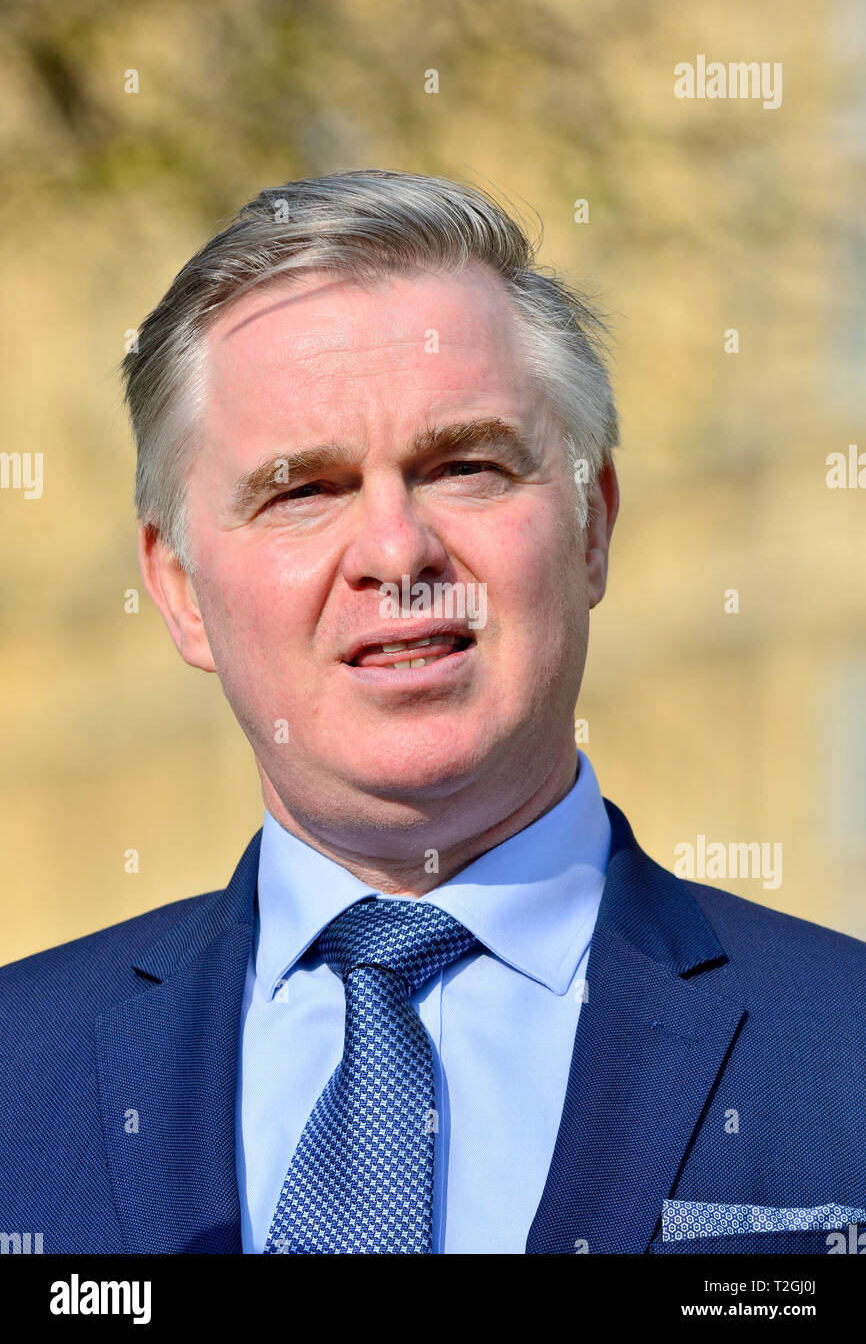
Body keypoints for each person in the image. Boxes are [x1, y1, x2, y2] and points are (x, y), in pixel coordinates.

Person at [1, 170, 864, 1255]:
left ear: (590, 527)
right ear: (178, 588)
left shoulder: (843, 1063)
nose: (396, 552)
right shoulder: (16, 1076)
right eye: (301, 489)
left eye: (463, 466)